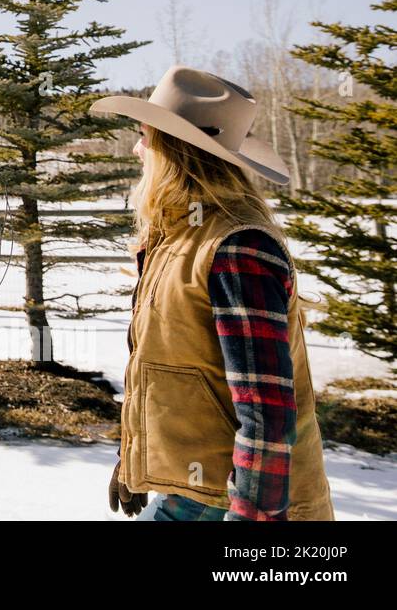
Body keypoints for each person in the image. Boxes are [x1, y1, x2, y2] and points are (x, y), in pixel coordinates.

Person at [92, 66, 335, 521]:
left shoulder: (238, 247)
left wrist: (251, 516)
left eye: (145, 136)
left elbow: (266, 411)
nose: (136, 149)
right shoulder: (176, 238)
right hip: (187, 488)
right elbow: (164, 368)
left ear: (173, 149)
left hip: (226, 502)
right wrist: (135, 459)